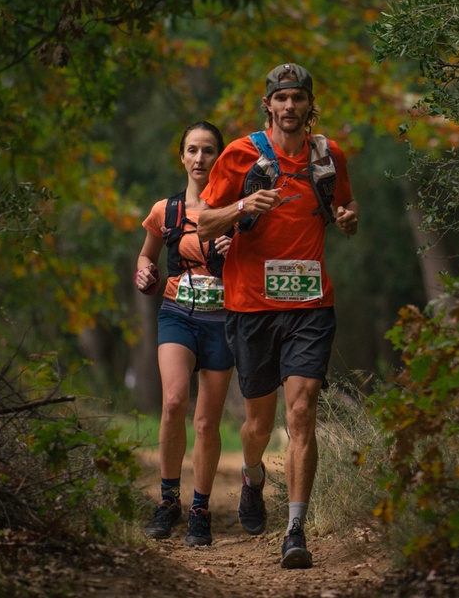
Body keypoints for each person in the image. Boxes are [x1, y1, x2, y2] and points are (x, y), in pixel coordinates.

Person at [196, 63, 359, 569]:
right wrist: (245, 203)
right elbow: (203, 224)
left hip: (310, 304)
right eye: (281, 98)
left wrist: (350, 220)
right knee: (258, 424)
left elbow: (345, 213)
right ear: (268, 105)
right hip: (251, 304)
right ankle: (252, 477)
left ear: (311, 105)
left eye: (298, 98)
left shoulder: (329, 157)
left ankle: (295, 529)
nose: (290, 106)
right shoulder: (240, 155)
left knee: (302, 411)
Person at [134, 121, 235, 547]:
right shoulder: (165, 211)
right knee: (174, 402)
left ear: (220, 158)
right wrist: (143, 270)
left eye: (209, 151)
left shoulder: (238, 210)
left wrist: (238, 252)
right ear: (182, 156)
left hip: (223, 319)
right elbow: (146, 254)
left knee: (207, 421)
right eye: (192, 150)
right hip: (177, 312)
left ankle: (200, 509)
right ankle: (168, 499)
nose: (199, 159)